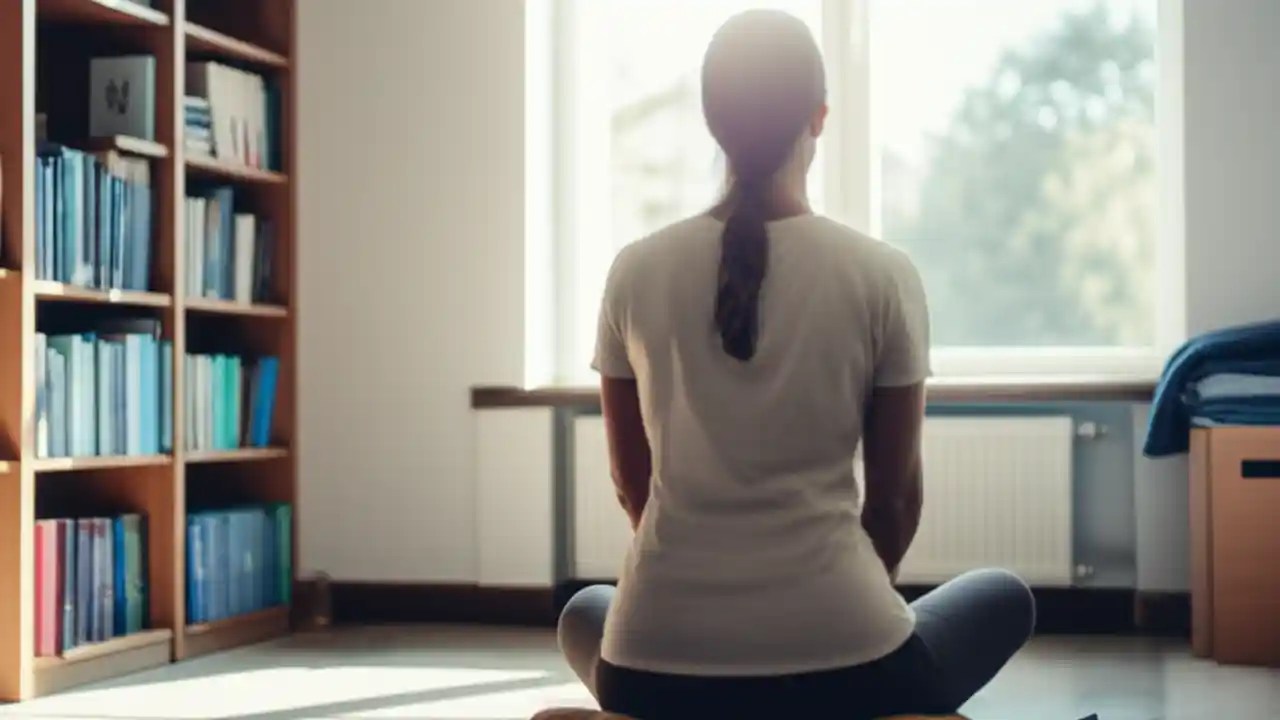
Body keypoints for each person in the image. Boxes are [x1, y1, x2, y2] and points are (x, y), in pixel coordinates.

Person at [557, 9, 1035, 719]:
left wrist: (710, 617)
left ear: (713, 121)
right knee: (1003, 595)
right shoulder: (882, 274)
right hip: (851, 670)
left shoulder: (634, 270)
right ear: (819, 117)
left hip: (654, 670)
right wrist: (828, 618)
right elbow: (896, 502)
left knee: (585, 612)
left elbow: (632, 485)